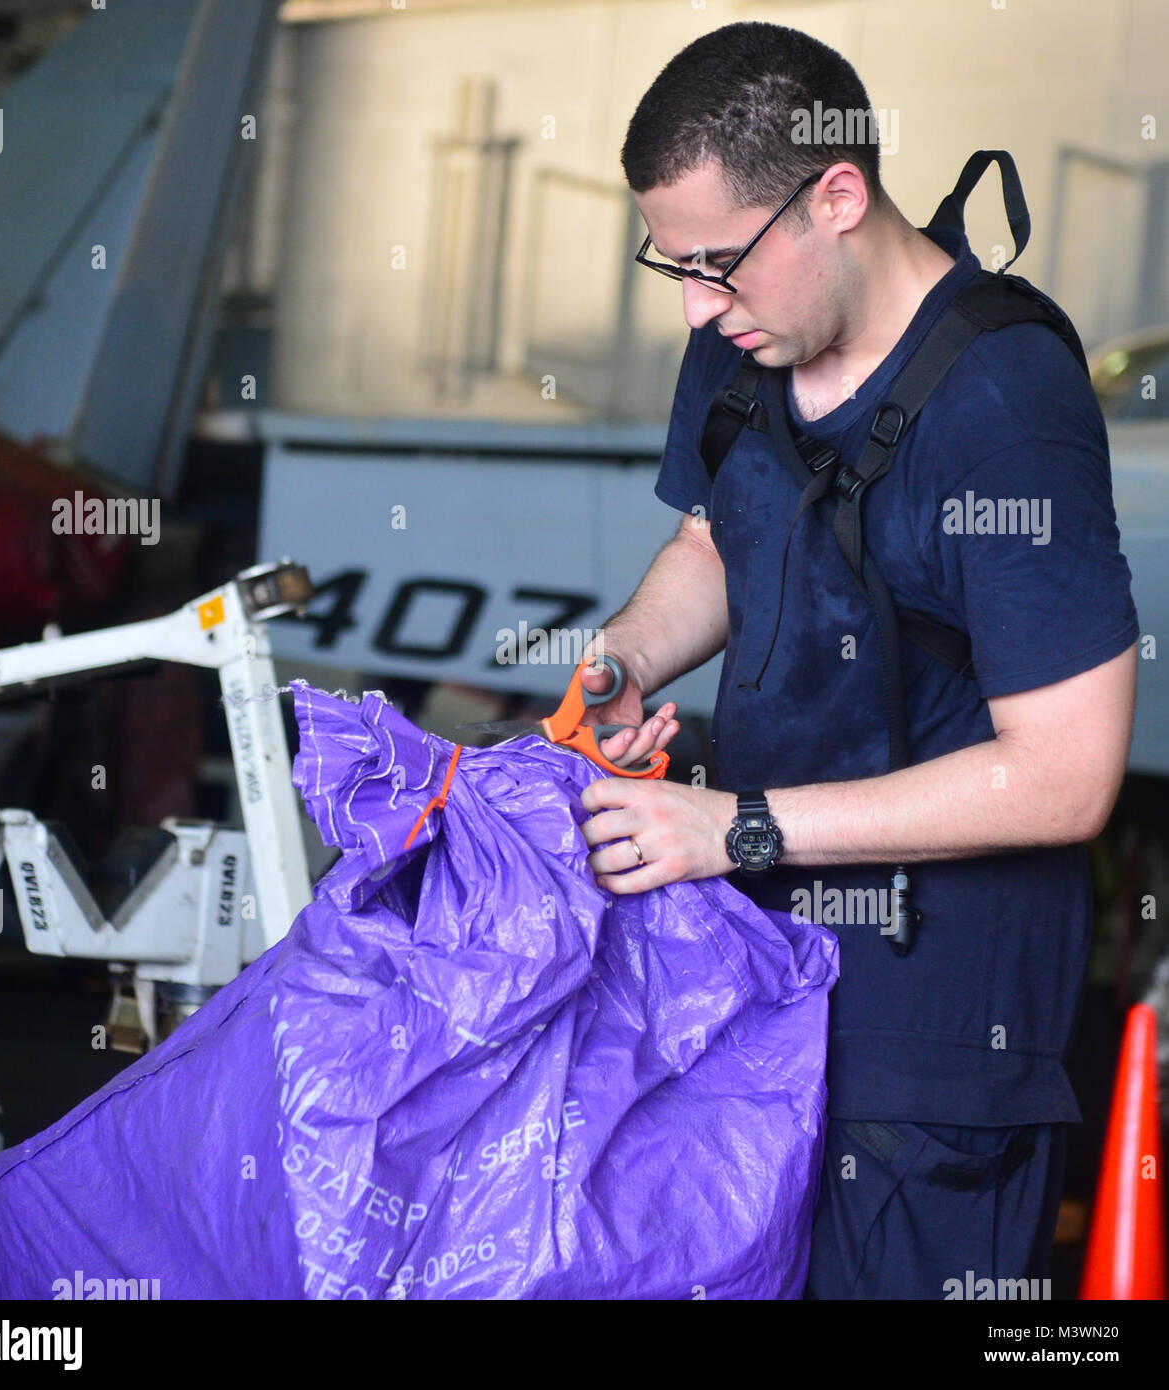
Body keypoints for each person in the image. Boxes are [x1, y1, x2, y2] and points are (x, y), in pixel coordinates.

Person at [575, 20, 1139, 1299]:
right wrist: (620, 664)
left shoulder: (1003, 412)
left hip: (931, 1022)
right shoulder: (739, 334)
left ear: (835, 196)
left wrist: (732, 827)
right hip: (750, 959)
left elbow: (1063, 776)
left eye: (715, 264)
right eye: (671, 263)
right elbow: (719, 540)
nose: (692, 305)